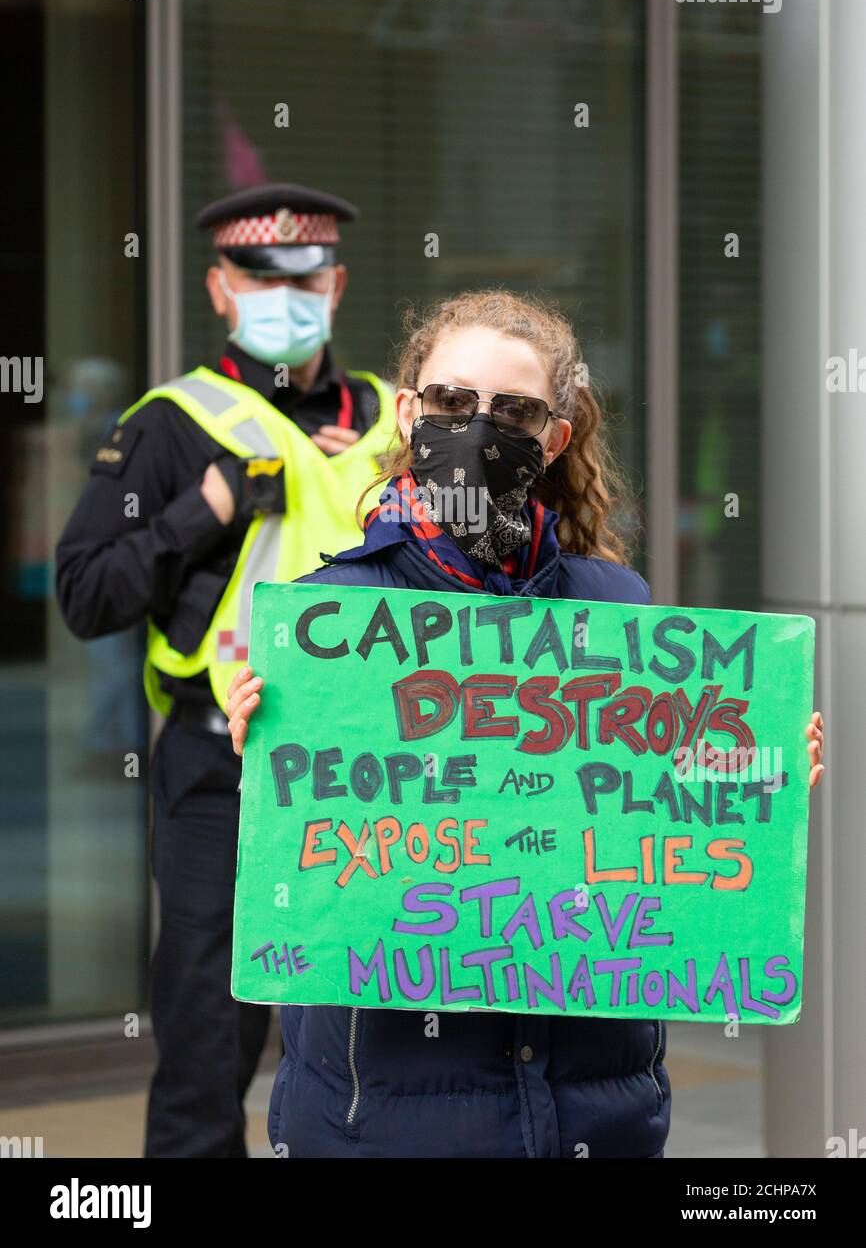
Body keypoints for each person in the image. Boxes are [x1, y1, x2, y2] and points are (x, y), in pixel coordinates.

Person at [226, 288, 825, 1159]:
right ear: (408, 411)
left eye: (513, 412)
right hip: (388, 1124)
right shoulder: (330, 624)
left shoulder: (618, 610)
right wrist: (264, 759)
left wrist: (758, 774)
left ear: (555, 438)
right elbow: (310, 875)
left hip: (595, 1111)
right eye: (452, 403)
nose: (476, 429)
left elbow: (651, 793)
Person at [56, 183, 396, 1158]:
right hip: (223, 778)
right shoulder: (172, 424)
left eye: (302, 278)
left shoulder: (388, 424)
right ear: (218, 287)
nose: (281, 297)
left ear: (333, 286)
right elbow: (86, 594)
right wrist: (200, 510)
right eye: (257, 278)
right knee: (210, 1046)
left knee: (374, 1049)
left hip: (372, 780)